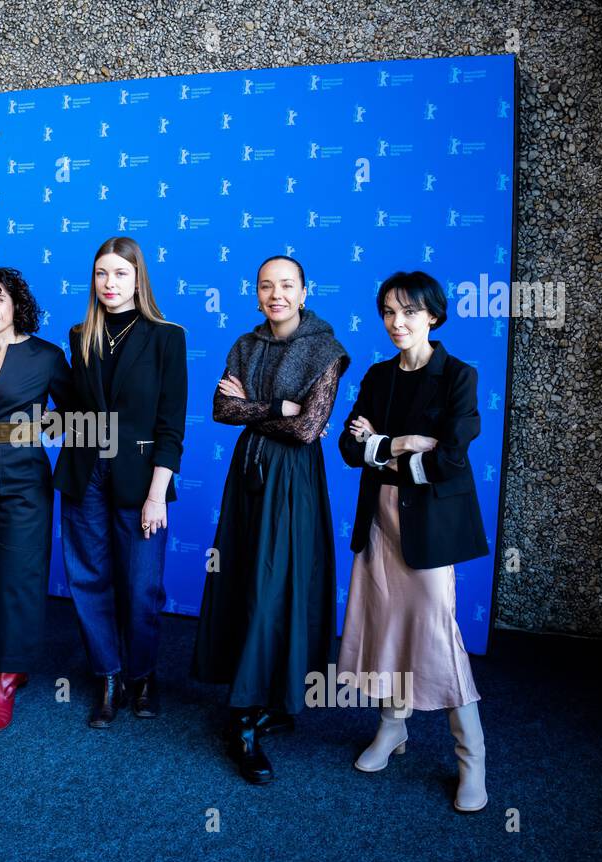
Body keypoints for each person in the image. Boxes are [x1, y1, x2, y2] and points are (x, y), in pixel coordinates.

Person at [337, 270, 490, 812]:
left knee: (437, 634)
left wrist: (383, 445)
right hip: (378, 520)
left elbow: (450, 459)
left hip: (427, 528)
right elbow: (349, 450)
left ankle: (472, 759)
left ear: (433, 315)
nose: (397, 322)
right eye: (388, 312)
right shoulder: (378, 376)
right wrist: (400, 443)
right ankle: (392, 728)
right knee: (385, 624)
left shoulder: (459, 376)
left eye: (408, 312)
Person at [193, 255, 349, 784]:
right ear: (256, 293)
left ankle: (265, 704)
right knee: (242, 579)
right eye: (266, 285)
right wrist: (281, 407)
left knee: (278, 585)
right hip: (248, 476)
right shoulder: (244, 343)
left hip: (292, 480)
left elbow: (310, 429)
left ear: (305, 291)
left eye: (286, 285)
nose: (275, 293)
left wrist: (262, 406)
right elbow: (220, 410)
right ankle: (243, 708)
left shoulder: (326, 348)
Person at [55, 236, 187, 728]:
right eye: (101, 274)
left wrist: (157, 494)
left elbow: (171, 424)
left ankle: (143, 674)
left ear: (138, 279)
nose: (109, 284)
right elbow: (73, 404)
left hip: (140, 477)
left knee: (141, 587)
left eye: (120, 274)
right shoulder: (80, 333)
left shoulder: (166, 336)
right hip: (85, 470)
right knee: (89, 579)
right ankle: (108, 675)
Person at [0, 267, 75, 732]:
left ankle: (4, 682)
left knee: (17, 574)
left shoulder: (46, 356)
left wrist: (42, 429)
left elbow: (77, 414)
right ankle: (0, 662)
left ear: (16, 304)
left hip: (24, 478)